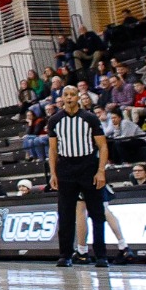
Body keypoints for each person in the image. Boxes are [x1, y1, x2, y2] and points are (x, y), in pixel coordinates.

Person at [48, 89, 108, 267]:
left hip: (88, 166)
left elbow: (103, 146)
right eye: (66, 95)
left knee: (97, 213)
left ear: (78, 97)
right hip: (66, 168)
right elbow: (53, 149)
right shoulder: (54, 120)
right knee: (65, 214)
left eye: (72, 94)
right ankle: (65, 255)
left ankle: (101, 255)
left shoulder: (90, 118)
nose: (69, 97)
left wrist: (101, 171)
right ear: (62, 98)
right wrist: (53, 173)